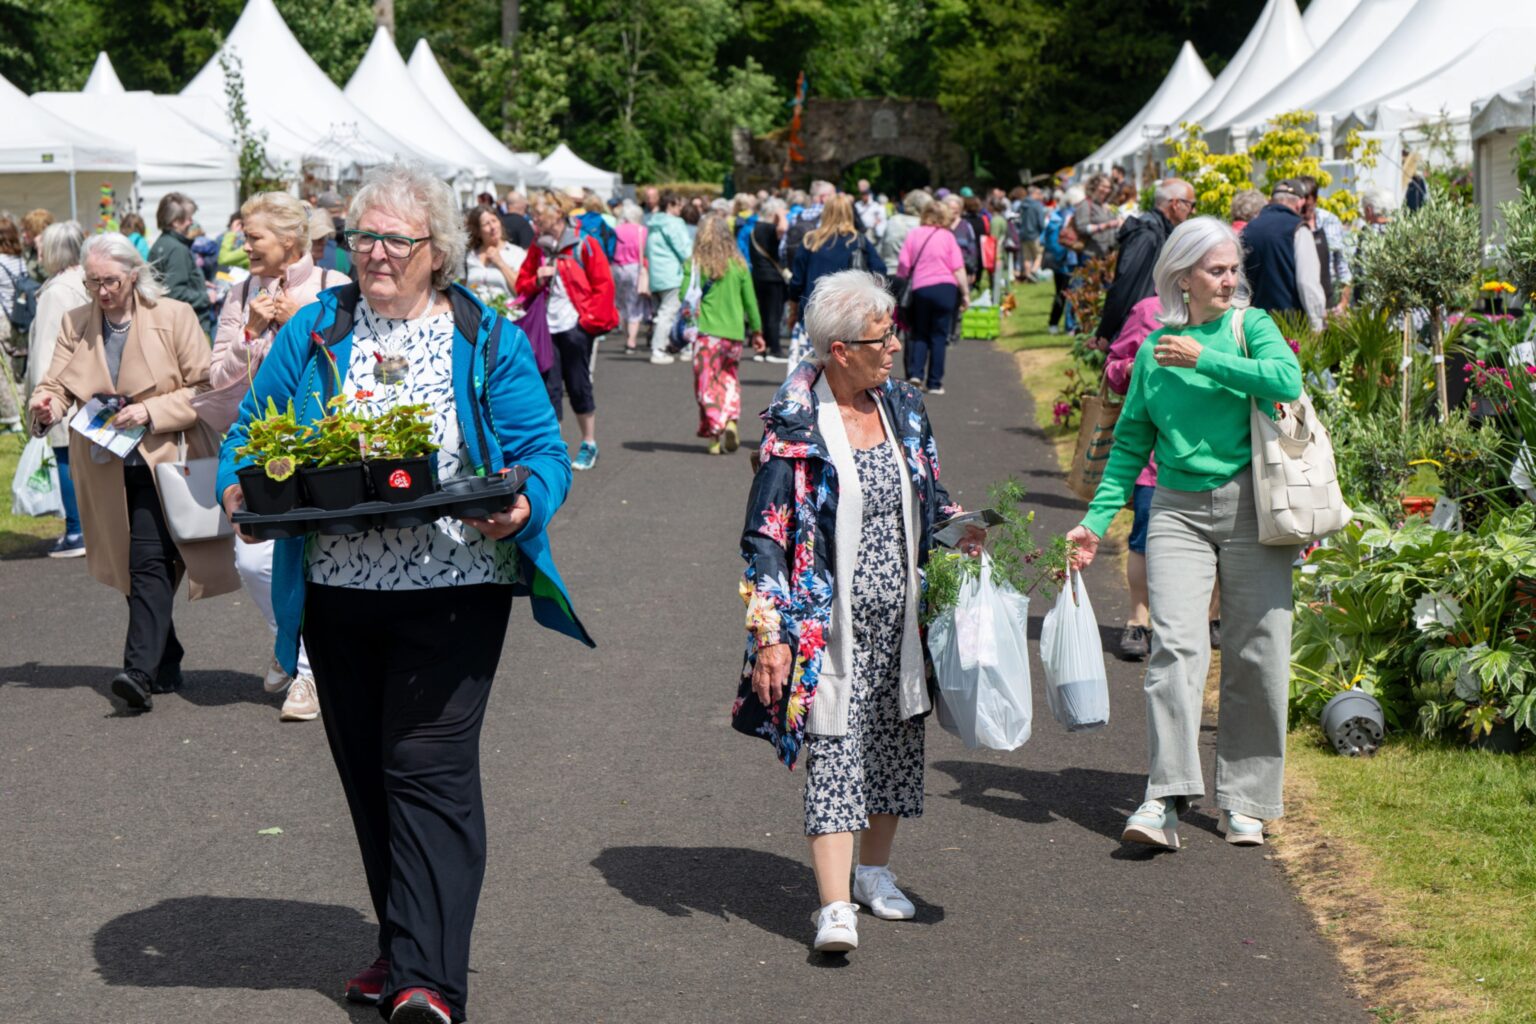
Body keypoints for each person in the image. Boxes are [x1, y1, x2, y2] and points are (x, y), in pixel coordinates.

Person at [216, 163, 589, 1022]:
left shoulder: (483, 337)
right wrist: (244, 489)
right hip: (340, 592)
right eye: (361, 237)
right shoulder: (318, 328)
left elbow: (542, 452)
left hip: (455, 583)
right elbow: (247, 437)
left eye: (393, 239)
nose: (374, 253)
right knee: (369, 774)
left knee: (428, 768)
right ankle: (400, 946)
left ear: (437, 251)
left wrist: (526, 498)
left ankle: (429, 980)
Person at [733, 269, 983, 953]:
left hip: (900, 620)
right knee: (837, 752)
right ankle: (834, 905)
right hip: (828, 625)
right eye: (882, 336)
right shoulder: (795, 423)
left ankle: (872, 872)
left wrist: (963, 527)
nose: (896, 346)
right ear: (840, 349)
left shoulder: (902, 405)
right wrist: (771, 635)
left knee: (894, 745)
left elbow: (928, 489)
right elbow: (766, 538)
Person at [1066, 216, 1302, 851]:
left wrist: (1210, 357)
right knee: (1175, 650)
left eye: (1234, 269)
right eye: (1216, 270)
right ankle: (1164, 798)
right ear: (1183, 278)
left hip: (1255, 507)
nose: (1229, 281)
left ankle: (1246, 800)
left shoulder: (1250, 327)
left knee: (1259, 652)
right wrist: (1095, 521)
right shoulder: (1152, 351)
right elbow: (1128, 447)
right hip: (1175, 509)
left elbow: (1286, 380)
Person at [29, 233, 238, 712]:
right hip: (106, 466)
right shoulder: (75, 322)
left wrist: (150, 412)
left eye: (111, 281)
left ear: (134, 275)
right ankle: (166, 657)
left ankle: (139, 672)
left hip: (165, 457)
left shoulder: (174, 316)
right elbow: (57, 385)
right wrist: (46, 407)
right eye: (93, 282)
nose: (102, 292)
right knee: (133, 566)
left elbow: (205, 388)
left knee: (146, 561)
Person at [196, 191, 341, 723]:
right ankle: (293, 646)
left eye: (253, 236)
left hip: (323, 445)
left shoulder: (334, 288)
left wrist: (302, 320)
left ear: (288, 239)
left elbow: (349, 357)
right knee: (252, 558)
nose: (244, 245)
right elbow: (216, 377)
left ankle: (306, 672)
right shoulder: (239, 294)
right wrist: (252, 332)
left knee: (311, 558)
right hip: (256, 445)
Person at [515, 195, 615, 471]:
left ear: (557, 213)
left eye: (538, 215)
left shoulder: (583, 243)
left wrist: (586, 322)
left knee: (579, 384)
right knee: (550, 387)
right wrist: (537, 279)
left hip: (575, 325)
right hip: (547, 327)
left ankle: (589, 443)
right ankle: (554, 448)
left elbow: (604, 285)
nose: (534, 221)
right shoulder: (539, 247)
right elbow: (521, 282)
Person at [26, 220, 90, 557]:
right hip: (85, 384)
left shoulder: (56, 292)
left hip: (62, 389)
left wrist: (41, 396)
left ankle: (76, 530)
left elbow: (46, 351)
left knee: (64, 454)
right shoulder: (84, 281)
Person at [690, 214, 763, 454]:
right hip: (734, 335)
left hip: (707, 333)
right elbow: (751, 302)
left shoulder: (695, 263)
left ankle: (714, 436)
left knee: (707, 385)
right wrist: (757, 331)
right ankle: (730, 419)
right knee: (729, 378)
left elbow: (685, 296)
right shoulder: (739, 265)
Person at [1095, 178, 1195, 349]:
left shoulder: (1160, 230)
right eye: (1192, 205)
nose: (1193, 211)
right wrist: (1105, 331)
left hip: (1148, 325)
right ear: (1176, 204)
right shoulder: (1147, 234)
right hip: (1137, 331)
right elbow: (1125, 285)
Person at [787, 195, 886, 342]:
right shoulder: (858, 240)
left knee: (813, 361)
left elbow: (797, 281)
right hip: (848, 314)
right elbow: (880, 271)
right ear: (849, 213)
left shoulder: (811, 240)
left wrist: (793, 310)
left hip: (814, 312)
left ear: (826, 212)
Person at [896, 200, 968, 395]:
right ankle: (935, 383)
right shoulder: (948, 237)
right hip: (946, 288)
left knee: (919, 332)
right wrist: (966, 294)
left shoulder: (914, 234)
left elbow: (903, 263)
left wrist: (903, 281)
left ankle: (916, 374)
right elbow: (958, 268)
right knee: (939, 335)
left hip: (921, 287)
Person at [1241, 179, 1326, 332]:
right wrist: (1316, 325)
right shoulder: (1299, 229)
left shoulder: (1249, 229)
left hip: (1255, 326)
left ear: (1270, 200)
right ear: (1300, 203)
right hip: (1292, 329)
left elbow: (1240, 281)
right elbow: (1307, 283)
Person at [642, 192, 693, 366]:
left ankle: (669, 345)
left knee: (664, 313)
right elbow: (684, 249)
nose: (681, 209)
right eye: (679, 205)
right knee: (670, 312)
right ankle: (659, 349)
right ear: (670, 205)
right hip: (673, 274)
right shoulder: (674, 223)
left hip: (657, 273)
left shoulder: (653, 223)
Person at [148, 192, 211, 322]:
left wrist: (199, 283)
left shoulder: (161, 243)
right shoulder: (176, 248)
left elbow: (169, 281)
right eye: (188, 218)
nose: (191, 222)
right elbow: (175, 293)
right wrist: (206, 297)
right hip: (188, 323)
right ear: (176, 222)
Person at [1296, 175, 1352, 313]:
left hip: (1330, 302)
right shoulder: (1290, 224)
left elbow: (1343, 265)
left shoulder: (1330, 221)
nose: (1303, 212)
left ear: (1315, 200)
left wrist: (1343, 303)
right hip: (1299, 304)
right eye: (1301, 207)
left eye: (1307, 207)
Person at [0, 216, 31, 431]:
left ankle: (11, 417)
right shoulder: (21, 260)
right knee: (20, 367)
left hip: (2, 320)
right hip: (21, 319)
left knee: (3, 371)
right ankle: (23, 409)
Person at [464, 205, 526, 305]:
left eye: (494, 221)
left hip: (506, 316)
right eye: (486, 224)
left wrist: (500, 263)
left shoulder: (516, 253)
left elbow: (522, 291)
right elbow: (464, 288)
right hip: (477, 317)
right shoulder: (470, 256)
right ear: (478, 231)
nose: (493, 227)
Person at [1043, 188, 1082, 335]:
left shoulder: (1057, 214)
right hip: (1069, 259)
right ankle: (1069, 326)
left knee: (1059, 292)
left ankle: (1053, 323)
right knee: (1069, 293)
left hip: (1057, 260)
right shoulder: (1072, 215)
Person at [612, 201, 650, 354]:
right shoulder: (642, 230)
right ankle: (631, 340)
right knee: (634, 303)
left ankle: (627, 334)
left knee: (621, 303)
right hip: (635, 267)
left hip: (617, 268)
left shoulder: (615, 230)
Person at [1073, 174, 1124, 261]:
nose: (1107, 190)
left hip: (1108, 255)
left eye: (1109, 187)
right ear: (1094, 186)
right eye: (1103, 186)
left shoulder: (1108, 206)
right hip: (1091, 256)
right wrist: (1105, 226)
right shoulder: (1085, 204)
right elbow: (1082, 228)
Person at [878, 189, 927, 272]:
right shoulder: (921, 225)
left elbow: (882, 247)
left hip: (888, 270)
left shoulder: (893, 220)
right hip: (908, 274)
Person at [22, 208, 53, 282]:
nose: (23, 235)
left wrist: (40, 249)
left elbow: (49, 277)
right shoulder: (30, 250)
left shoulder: (52, 251)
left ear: (38, 230)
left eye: (27, 230)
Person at [854, 178, 886, 242]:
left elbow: (881, 218)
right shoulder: (857, 204)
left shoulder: (876, 204)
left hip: (871, 231)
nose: (863, 195)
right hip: (860, 231)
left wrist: (873, 226)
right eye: (862, 194)